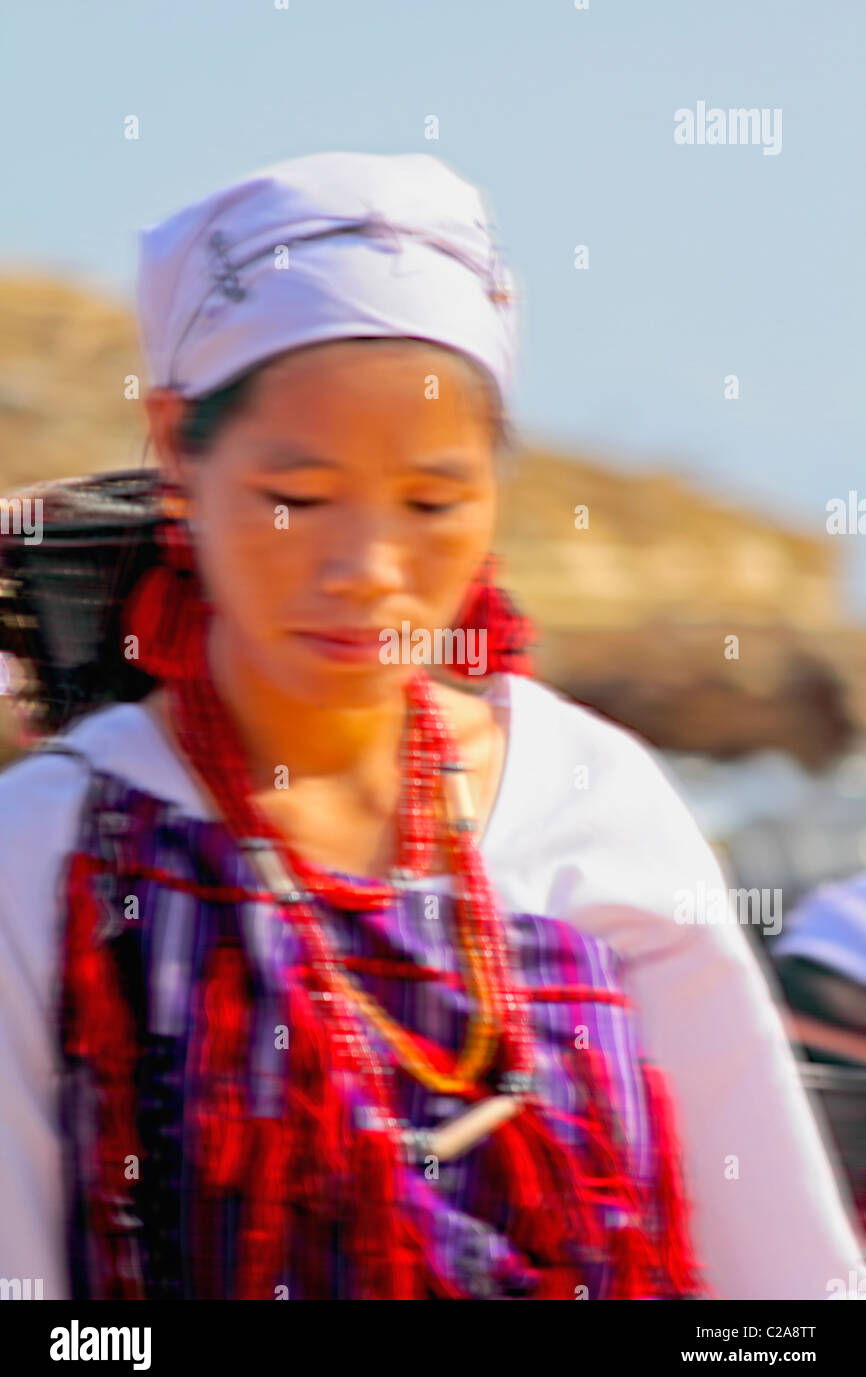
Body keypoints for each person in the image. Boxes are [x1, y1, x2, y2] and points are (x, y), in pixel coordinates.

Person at [0, 151, 862, 1301]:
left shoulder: (595, 799)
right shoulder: (50, 851)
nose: (367, 570)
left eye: (431, 503)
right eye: (296, 498)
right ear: (176, 448)